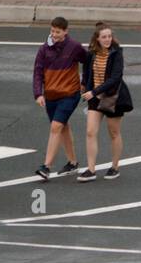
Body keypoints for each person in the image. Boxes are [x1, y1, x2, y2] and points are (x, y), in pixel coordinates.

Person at [32, 15, 88, 180]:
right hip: (51, 95)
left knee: (56, 127)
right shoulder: (44, 49)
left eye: (57, 32)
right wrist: (38, 93)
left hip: (69, 94)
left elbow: (88, 61)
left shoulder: (74, 47)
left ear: (65, 32)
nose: (54, 35)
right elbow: (37, 72)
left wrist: (84, 82)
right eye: (52, 31)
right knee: (63, 128)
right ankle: (72, 163)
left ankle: (46, 166)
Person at [77, 22, 134, 182]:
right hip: (94, 96)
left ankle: (114, 167)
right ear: (97, 39)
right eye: (104, 37)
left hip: (112, 97)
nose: (107, 39)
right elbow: (87, 71)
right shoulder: (91, 53)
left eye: (109, 36)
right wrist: (84, 86)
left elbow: (115, 78)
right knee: (90, 131)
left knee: (113, 132)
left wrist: (94, 92)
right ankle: (91, 169)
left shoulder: (117, 53)